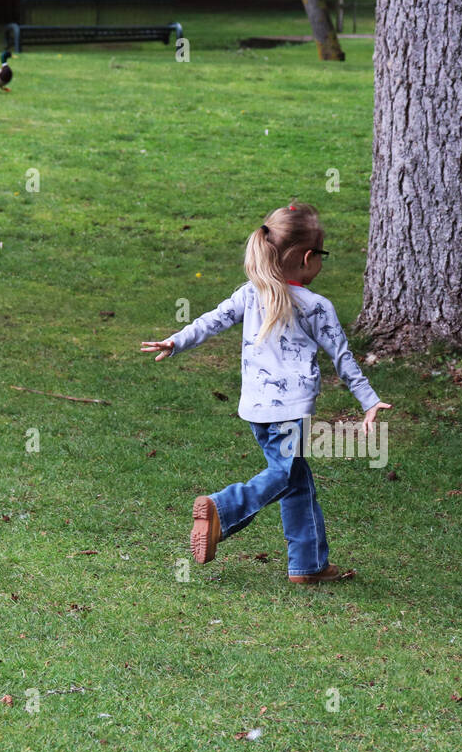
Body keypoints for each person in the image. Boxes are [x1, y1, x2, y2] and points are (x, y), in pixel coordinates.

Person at [141, 203, 390, 583]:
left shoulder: (250, 294)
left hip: (256, 411)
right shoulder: (317, 307)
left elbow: (211, 321)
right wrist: (369, 401)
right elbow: (343, 358)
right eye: (321, 256)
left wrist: (175, 341)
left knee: (298, 482)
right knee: (284, 474)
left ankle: (308, 565)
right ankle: (222, 510)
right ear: (308, 258)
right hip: (290, 412)